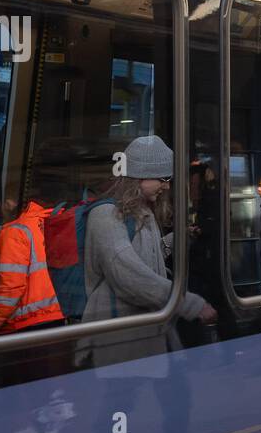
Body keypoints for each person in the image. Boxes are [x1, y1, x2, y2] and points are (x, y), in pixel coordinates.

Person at [82, 136, 215, 330]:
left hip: (140, 327)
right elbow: (129, 276)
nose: (167, 186)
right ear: (139, 176)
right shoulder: (105, 215)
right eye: (163, 179)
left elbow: (145, 258)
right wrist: (191, 304)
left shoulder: (142, 212)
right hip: (114, 334)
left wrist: (178, 238)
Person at [0, 189, 66, 336]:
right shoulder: (48, 221)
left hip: (28, 321)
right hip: (58, 315)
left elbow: (11, 283)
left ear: (8, 203)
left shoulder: (15, 231)